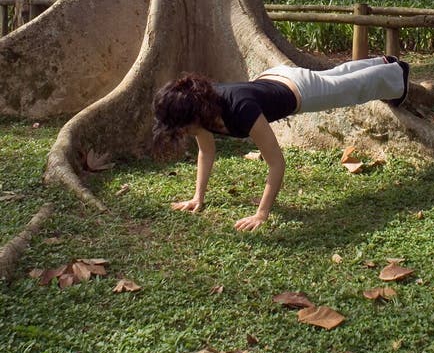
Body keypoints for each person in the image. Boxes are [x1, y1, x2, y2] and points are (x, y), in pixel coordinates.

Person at [152, 56, 410, 232]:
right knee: (335, 77)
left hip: (300, 90)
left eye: (181, 126)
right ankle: (381, 62)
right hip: (274, 77)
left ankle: (398, 72)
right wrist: (197, 197)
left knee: (350, 88)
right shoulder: (203, 109)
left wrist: (261, 214)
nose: (182, 132)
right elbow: (206, 152)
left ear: (194, 115)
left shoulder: (240, 109)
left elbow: (276, 164)